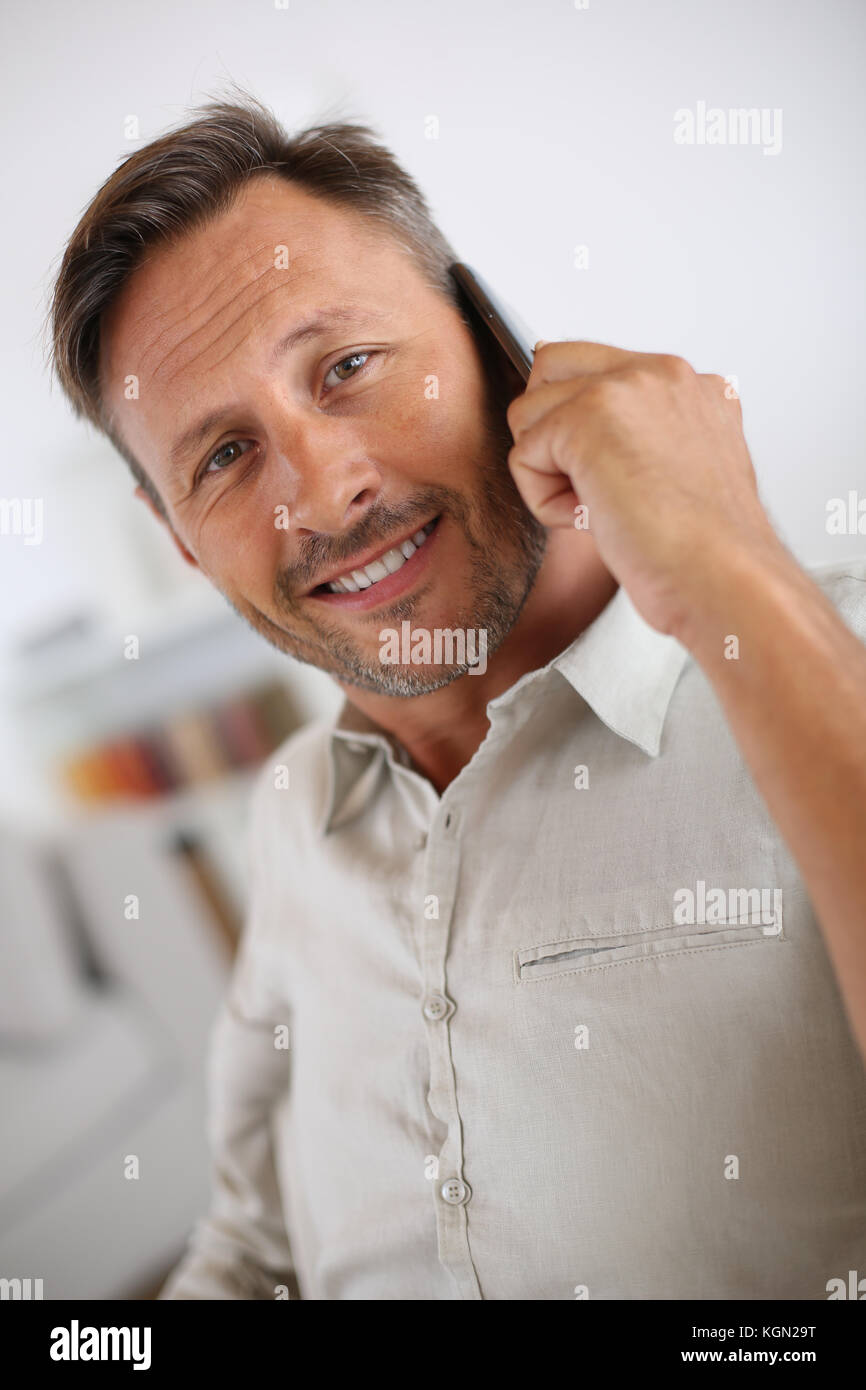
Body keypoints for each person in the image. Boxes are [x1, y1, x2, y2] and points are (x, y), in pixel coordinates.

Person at [49, 92, 866, 1300]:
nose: (322, 495)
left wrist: (722, 564)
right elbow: (246, 1250)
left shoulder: (828, 654)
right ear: (179, 543)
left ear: (494, 342)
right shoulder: (293, 816)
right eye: (222, 457)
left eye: (347, 367)